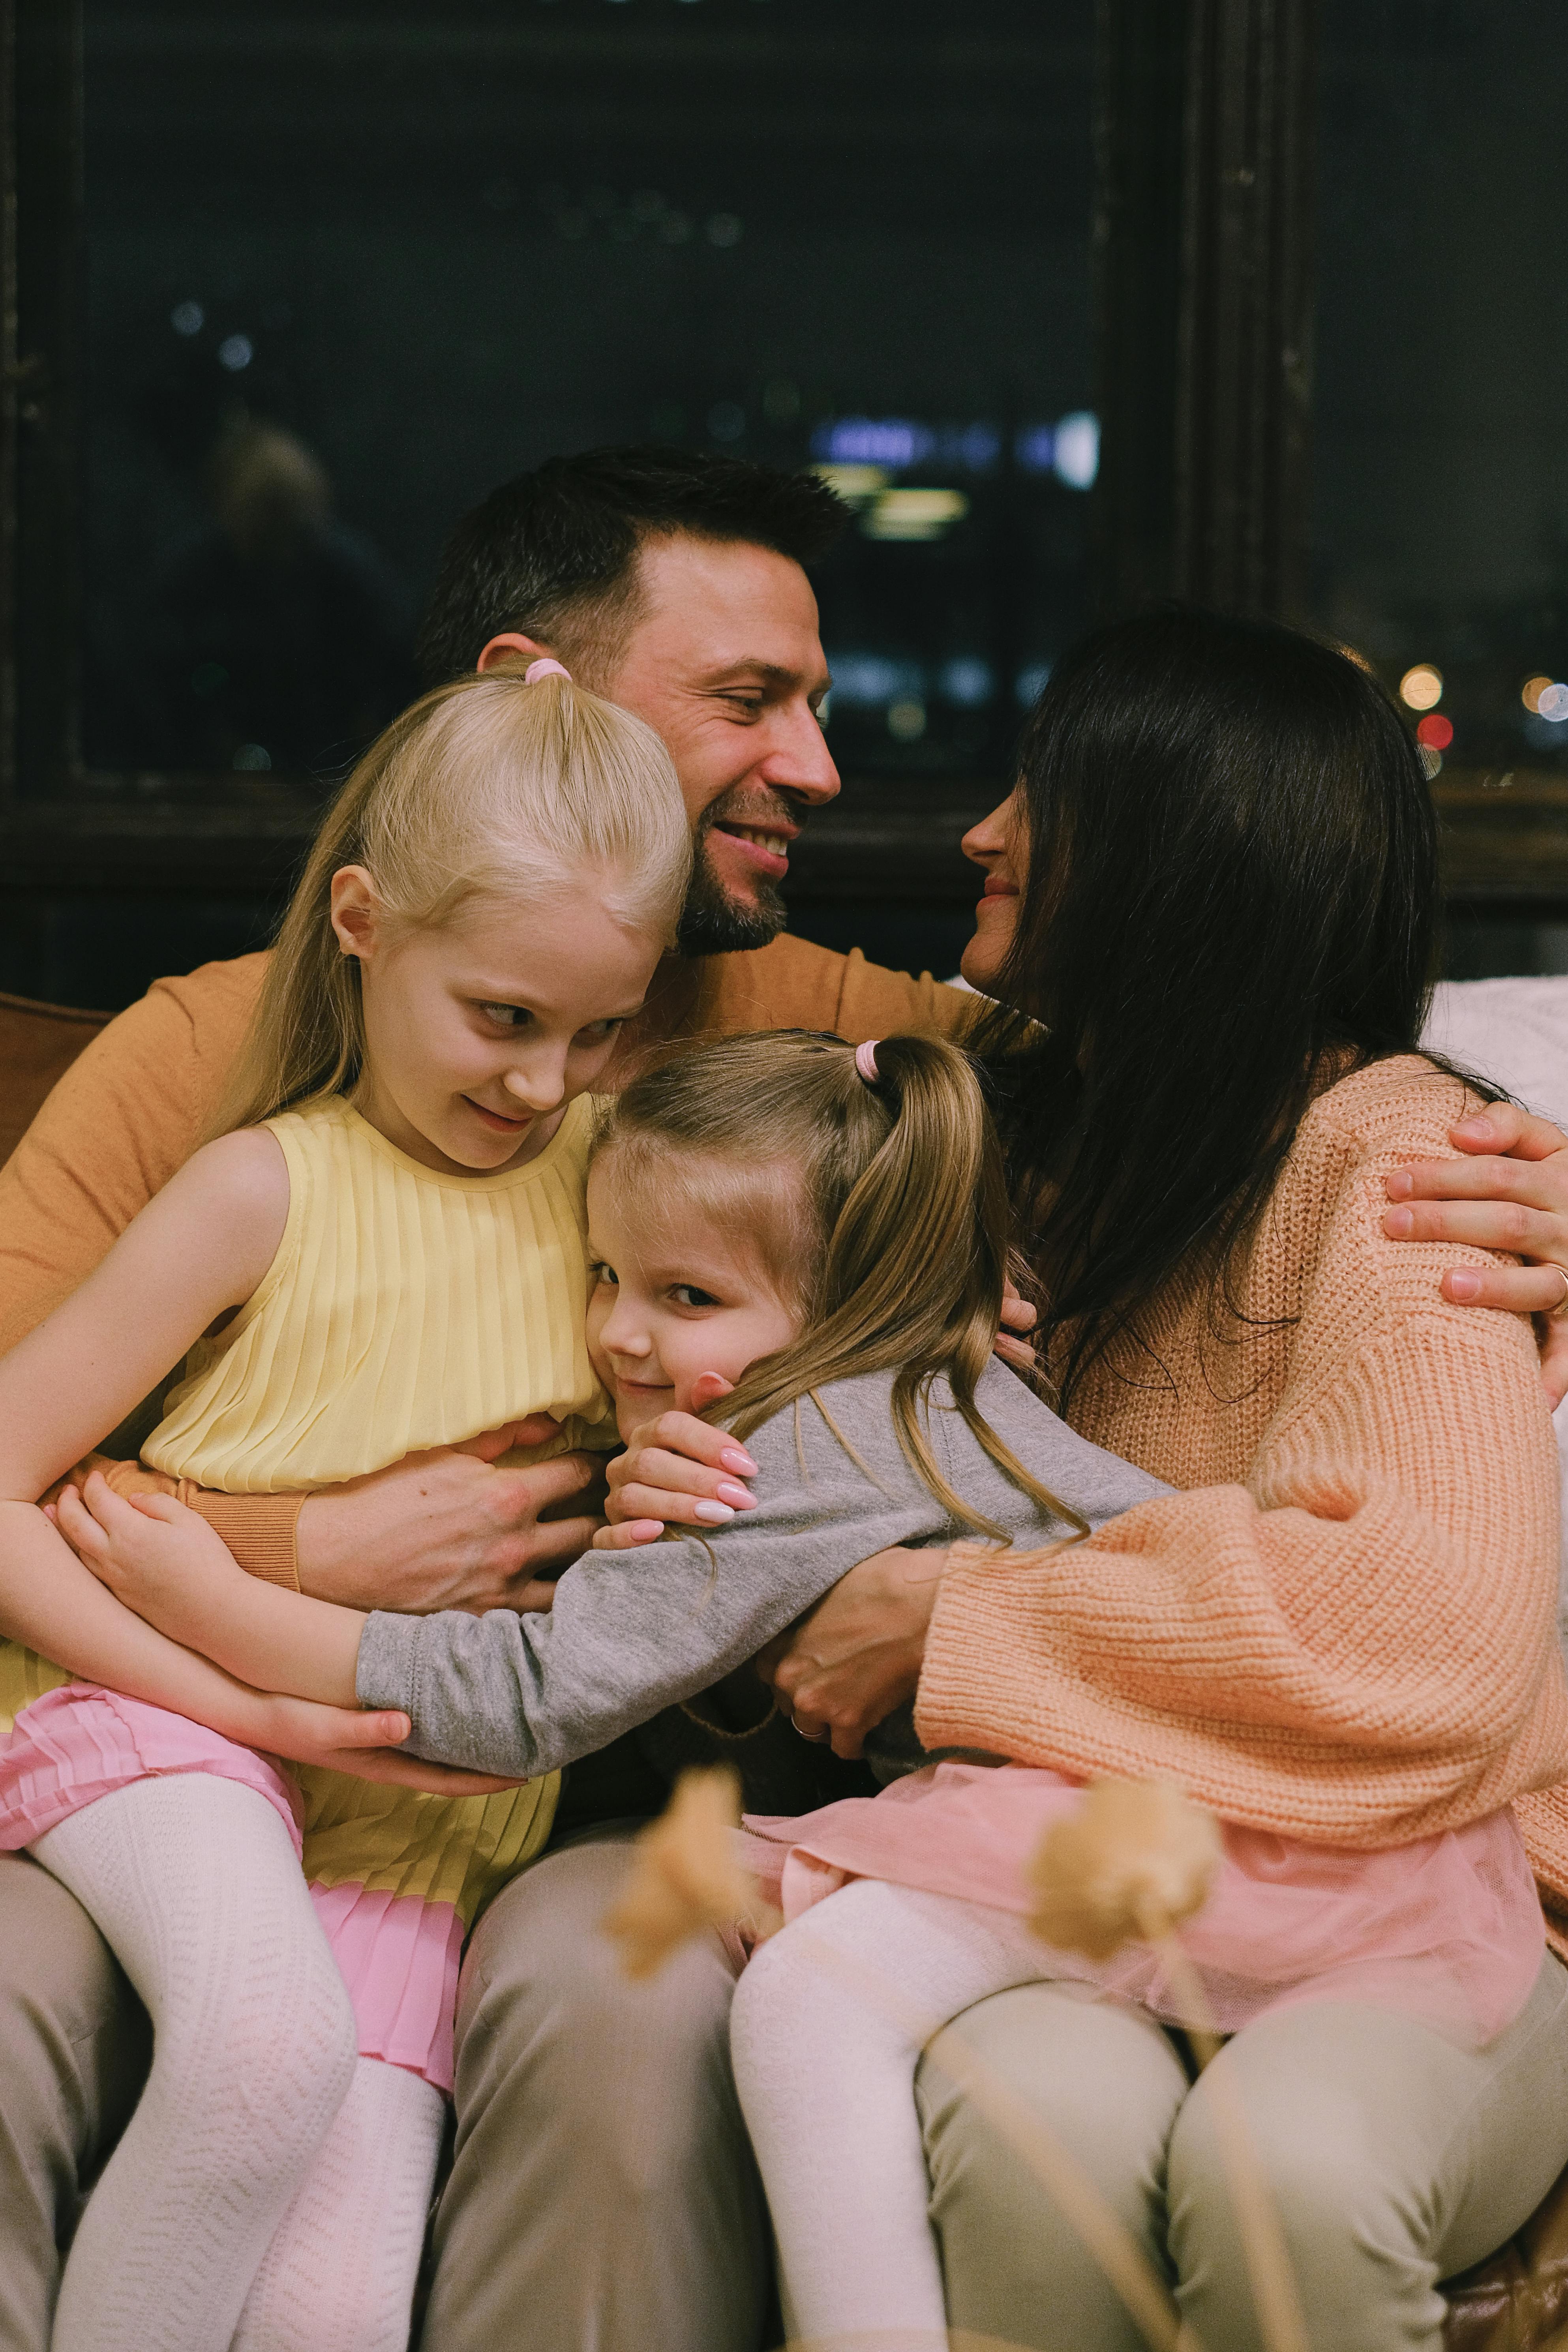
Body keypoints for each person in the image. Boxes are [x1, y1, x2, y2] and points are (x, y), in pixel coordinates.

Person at [4, 442, 1568, 2352]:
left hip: (759, 1782)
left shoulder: (903, 1067)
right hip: (220, 1753)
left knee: (625, 1981)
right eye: (753, 700)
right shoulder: (207, 1073)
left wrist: (1541, 1182)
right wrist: (294, 1545)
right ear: (530, 701)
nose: (835, 774)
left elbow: (1266, 1088)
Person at [613, 611, 1568, 2351]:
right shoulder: (984, 1142)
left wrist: (959, 1615)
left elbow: (1421, 1632)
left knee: (1291, 2171)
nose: (981, 830)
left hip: (1429, 1889)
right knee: (1034, 2135)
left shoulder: (1409, 1157)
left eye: (1040, 795)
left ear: (1174, 855)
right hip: (1108, 1860)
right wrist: (708, 1527)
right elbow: (837, 1547)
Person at [0, 663, 692, 2352]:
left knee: (333, 2309)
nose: (546, 1080)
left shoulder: (622, 1177)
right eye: (504, 1018)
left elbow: (813, 1208)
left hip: (415, 1829)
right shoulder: (263, 1182)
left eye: (600, 1030)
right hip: (165, 1724)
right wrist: (239, 1697)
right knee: (261, 2051)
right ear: (366, 924)